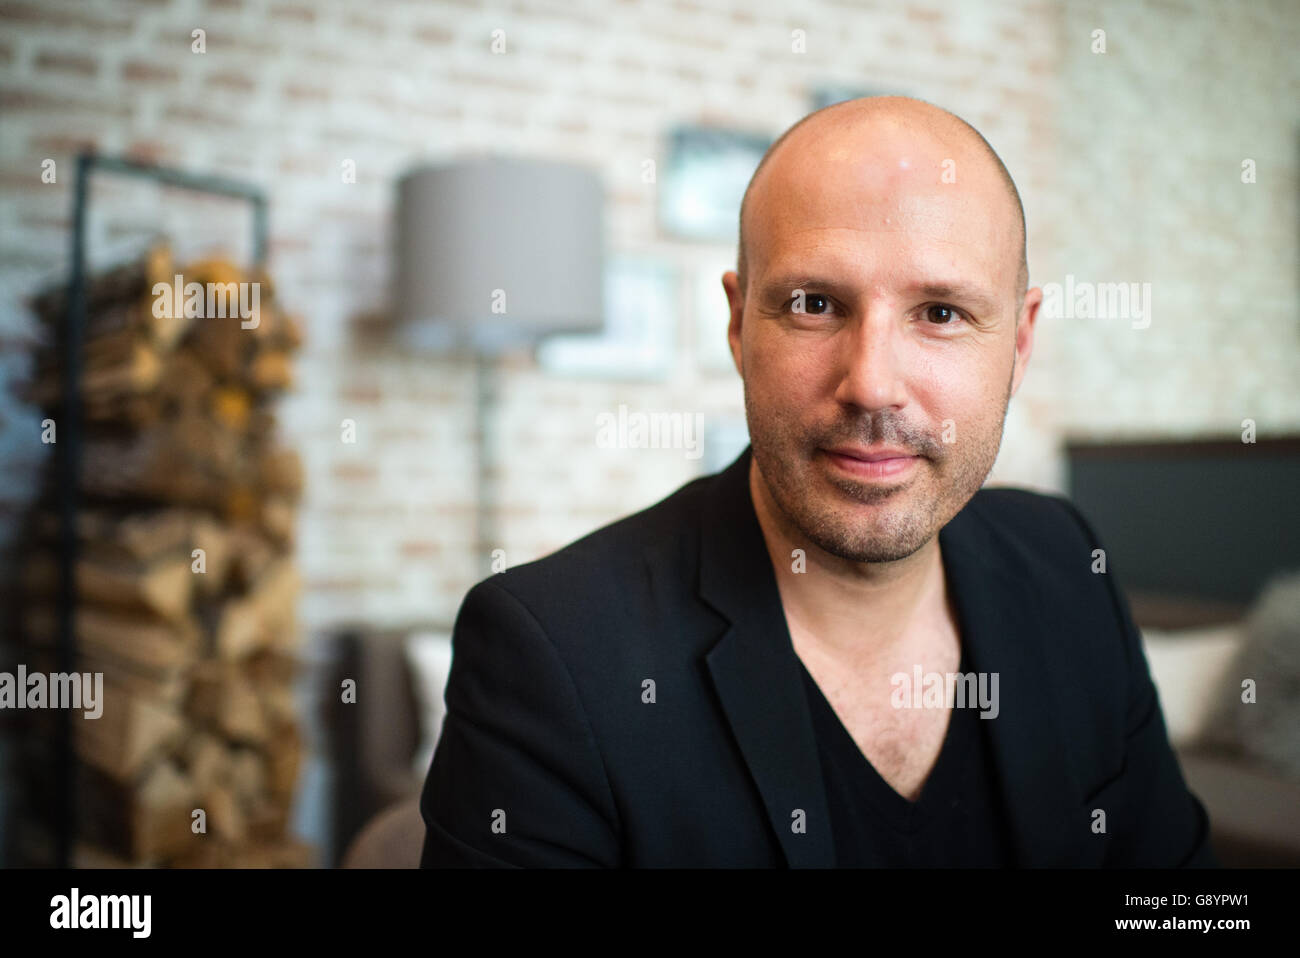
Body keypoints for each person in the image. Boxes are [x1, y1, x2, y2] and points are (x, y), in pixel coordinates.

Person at [419, 96, 1216, 867]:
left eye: (940, 313)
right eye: (814, 304)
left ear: (1019, 341)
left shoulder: (1066, 560)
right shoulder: (553, 655)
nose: (872, 385)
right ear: (737, 326)